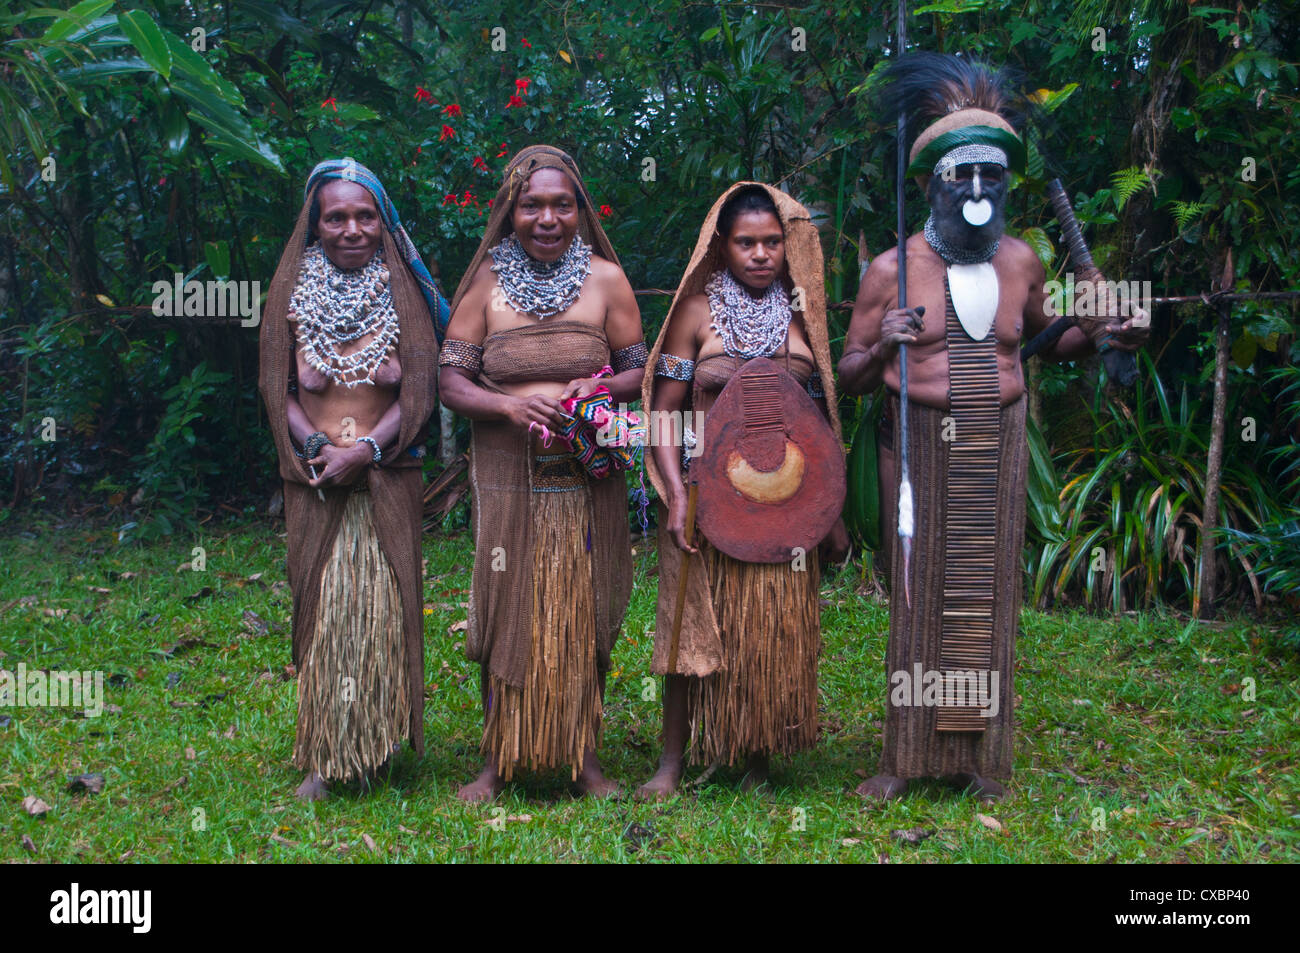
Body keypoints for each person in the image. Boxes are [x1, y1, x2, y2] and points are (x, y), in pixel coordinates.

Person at [838, 54, 1148, 801]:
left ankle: (982, 756)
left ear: (1005, 184)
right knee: (918, 590)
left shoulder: (1022, 262)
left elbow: (1051, 341)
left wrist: (1113, 331)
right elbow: (845, 372)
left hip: (998, 438)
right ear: (929, 185)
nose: (977, 191)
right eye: (960, 177)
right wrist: (885, 341)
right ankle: (903, 757)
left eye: (991, 178)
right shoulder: (891, 269)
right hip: (915, 440)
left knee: (983, 591)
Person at [439, 145, 646, 801]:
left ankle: (585, 761)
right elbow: (449, 379)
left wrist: (599, 389)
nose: (548, 217)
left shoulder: (608, 281)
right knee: (506, 614)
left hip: (588, 482)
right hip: (509, 484)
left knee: (586, 616)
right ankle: (497, 762)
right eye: (533, 205)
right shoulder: (484, 286)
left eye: (562, 204)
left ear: (580, 210)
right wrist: (505, 402)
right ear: (510, 212)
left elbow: (641, 370)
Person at [636, 183, 847, 799]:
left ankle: (756, 751)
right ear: (720, 246)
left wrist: (827, 511)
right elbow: (664, 411)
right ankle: (672, 761)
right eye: (746, 242)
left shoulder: (804, 310)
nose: (760, 254)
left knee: (768, 627)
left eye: (772, 242)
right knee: (690, 624)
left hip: (786, 502)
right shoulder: (696, 313)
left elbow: (822, 414)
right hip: (705, 497)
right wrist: (676, 492)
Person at [259, 158, 447, 800]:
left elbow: (421, 388)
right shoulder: (289, 294)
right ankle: (326, 751)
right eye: (334, 217)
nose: (351, 228)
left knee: (385, 608)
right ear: (313, 227)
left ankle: (377, 737)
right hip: (315, 480)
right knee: (320, 605)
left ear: (383, 223)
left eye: (366, 215)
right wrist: (315, 445)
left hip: (385, 476)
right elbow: (276, 387)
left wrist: (365, 449)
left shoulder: (403, 295)